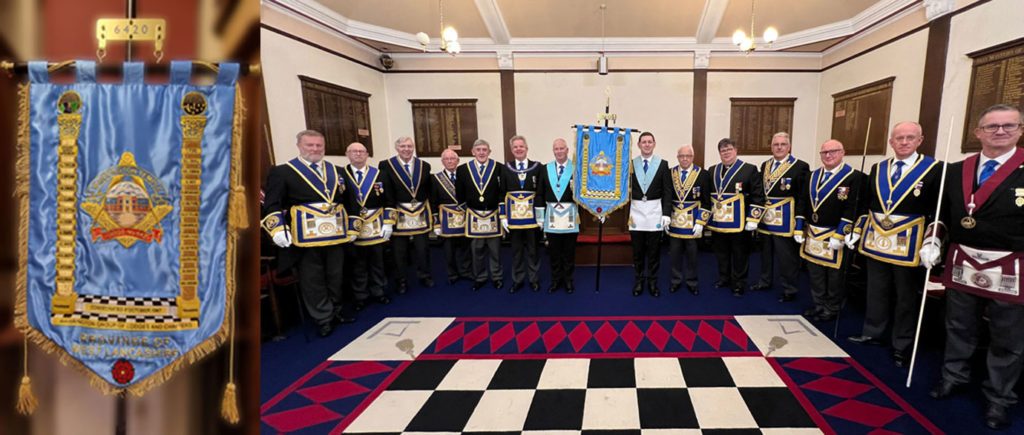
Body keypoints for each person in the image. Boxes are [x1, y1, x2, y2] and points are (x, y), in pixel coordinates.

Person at [921, 104, 1024, 430]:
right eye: (992, 127)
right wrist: (933, 239)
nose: (1000, 131)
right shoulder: (956, 170)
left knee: (1007, 337)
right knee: (959, 326)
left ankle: (998, 398)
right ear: (978, 132)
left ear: (1020, 130)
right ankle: (953, 376)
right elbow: (942, 212)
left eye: (1009, 126)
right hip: (963, 259)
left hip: (1010, 264)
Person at [846, 121, 942, 369]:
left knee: (905, 296)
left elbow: (938, 211)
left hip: (908, 244)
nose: (904, 142)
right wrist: (857, 230)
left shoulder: (934, 169)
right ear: (891, 142)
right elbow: (868, 204)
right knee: (876, 290)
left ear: (920, 140)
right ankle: (873, 332)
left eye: (910, 137)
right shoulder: (879, 168)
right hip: (876, 240)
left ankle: (902, 344)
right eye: (899, 138)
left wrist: (933, 241)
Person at [261, 130, 356, 338]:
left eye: (318, 146)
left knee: (335, 275)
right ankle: (323, 318)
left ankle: (336, 310)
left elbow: (350, 203)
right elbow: (272, 204)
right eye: (309, 145)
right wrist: (276, 229)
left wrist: (353, 227)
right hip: (305, 238)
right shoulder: (283, 171)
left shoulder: (338, 171)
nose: (314, 149)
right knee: (312, 279)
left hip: (336, 235)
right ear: (299, 146)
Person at [797, 140, 864, 322]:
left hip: (835, 234)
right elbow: (803, 201)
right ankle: (819, 304)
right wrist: (798, 227)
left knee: (834, 275)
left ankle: (832, 307)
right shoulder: (812, 176)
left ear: (842, 152)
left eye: (833, 151)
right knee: (815, 272)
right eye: (824, 152)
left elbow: (853, 208)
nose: (828, 155)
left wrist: (842, 233)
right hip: (813, 233)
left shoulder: (853, 177)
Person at [753, 133, 810, 302]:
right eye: (776, 144)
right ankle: (765, 281)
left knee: (786, 257)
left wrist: (800, 222)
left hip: (785, 219)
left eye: (783, 144)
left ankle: (789, 288)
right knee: (765, 253)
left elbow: (802, 196)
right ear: (771, 147)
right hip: (766, 218)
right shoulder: (765, 165)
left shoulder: (800, 166)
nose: (779, 147)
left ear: (789, 147)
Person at [340, 142, 395, 311]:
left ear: (367, 155)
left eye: (362, 152)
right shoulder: (340, 174)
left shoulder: (380, 174)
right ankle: (360, 296)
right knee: (357, 263)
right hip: (352, 226)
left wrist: (388, 222)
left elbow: (389, 200)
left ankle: (379, 291)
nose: (358, 154)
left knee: (377, 261)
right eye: (354, 151)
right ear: (347, 154)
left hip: (376, 224)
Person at [707, 138, 765, 297]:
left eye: (729, 149)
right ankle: (724, 277)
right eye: (722, 150)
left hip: (740, 223)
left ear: (736, 150)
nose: (726, 153)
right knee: (721, 252)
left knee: (740, 253)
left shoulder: (749, 170)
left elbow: (758, 196)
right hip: (719, 222)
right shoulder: (712, 170)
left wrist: (753, 219)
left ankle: (738, 283)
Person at [379, 136, 434, 293]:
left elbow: (427, 190)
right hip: (398, 212)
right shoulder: (386, 165)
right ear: (397, 148)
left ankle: (425, 275)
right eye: (403, 146)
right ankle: (401, 280)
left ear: (414, 147)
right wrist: (387, 219)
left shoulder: (424, 165)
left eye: (409, 146)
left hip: (420, 211)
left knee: (423, 249)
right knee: (399, 251)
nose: (406, 149)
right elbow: (386, 192)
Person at [456, 139, 506, 290]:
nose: (482, 152)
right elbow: (460, 193)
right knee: (476, 249)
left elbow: (502, 192)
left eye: (485, 149)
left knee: (494, 249)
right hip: (474, 215)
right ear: (473, 152)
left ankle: (497, 276)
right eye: (479, 150)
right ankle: (480, 277)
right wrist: (469, 212)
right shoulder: (463, 169)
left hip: (493, 214)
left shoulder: (499, 168)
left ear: (489, 152)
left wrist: (501, 212)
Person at [628, 132, 673, 297]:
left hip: (655, 212)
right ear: (639, 145)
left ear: (654, 144)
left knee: (654, 252)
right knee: (638, 251)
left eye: (649, 142)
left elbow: (668, 191)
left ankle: (653, 282)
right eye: (643, 142)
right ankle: (639, 281)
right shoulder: (631, 164)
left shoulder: (662, 164)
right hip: (636, 212)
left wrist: (666, 213)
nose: (646, 145)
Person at [666, 144, 712, 295]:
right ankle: (675, 280)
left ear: (693, 157)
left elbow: (706, 201)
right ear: (677, 157)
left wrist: (701, 222)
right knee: (674, 254)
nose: (684, 159)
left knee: (692, 255)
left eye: (688, 156)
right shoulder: (670, 173)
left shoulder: (703, 174)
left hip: (693, 223)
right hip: (674, 221)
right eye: (681, 156)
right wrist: (665, 216)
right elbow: (666, 197)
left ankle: (692, 282)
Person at [500, 135, 543, 293]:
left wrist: (541, 216)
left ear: (526, 148)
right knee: (516, 251)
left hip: (532, 218)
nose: (519, 149)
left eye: (521, 146)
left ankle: (534, 279)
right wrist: (503, 216)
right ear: (512, 150)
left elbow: (540, 193)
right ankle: (517, 279)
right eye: (515, 147)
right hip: (514, 219)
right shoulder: (505, 168)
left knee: (533, 250)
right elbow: (501, 193)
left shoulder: (538, 167)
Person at [536, 138, 579, 293]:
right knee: (554, 252)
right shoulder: (544, 169)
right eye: (556, 149)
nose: (559, 151)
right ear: (553, 151)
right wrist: (540, 216)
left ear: (567, 150)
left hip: (570, 215)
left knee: (569, 252)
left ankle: (568, 280)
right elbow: (539, 193)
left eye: (562, 148)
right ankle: (555, 280)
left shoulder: (576, 168)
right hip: (551, 215)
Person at [431, 149, 473, 285]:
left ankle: (466, 271)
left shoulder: (466, 176)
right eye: (447, 159)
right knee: (449, 250)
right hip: (446, 221)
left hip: (464, 217)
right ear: (442, 161)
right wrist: (436, 223)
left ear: (458, 161)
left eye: (453, 159)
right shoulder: (436, 179)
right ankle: (452, 274)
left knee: (466, 248)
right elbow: (433, 203)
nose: (450, 161)